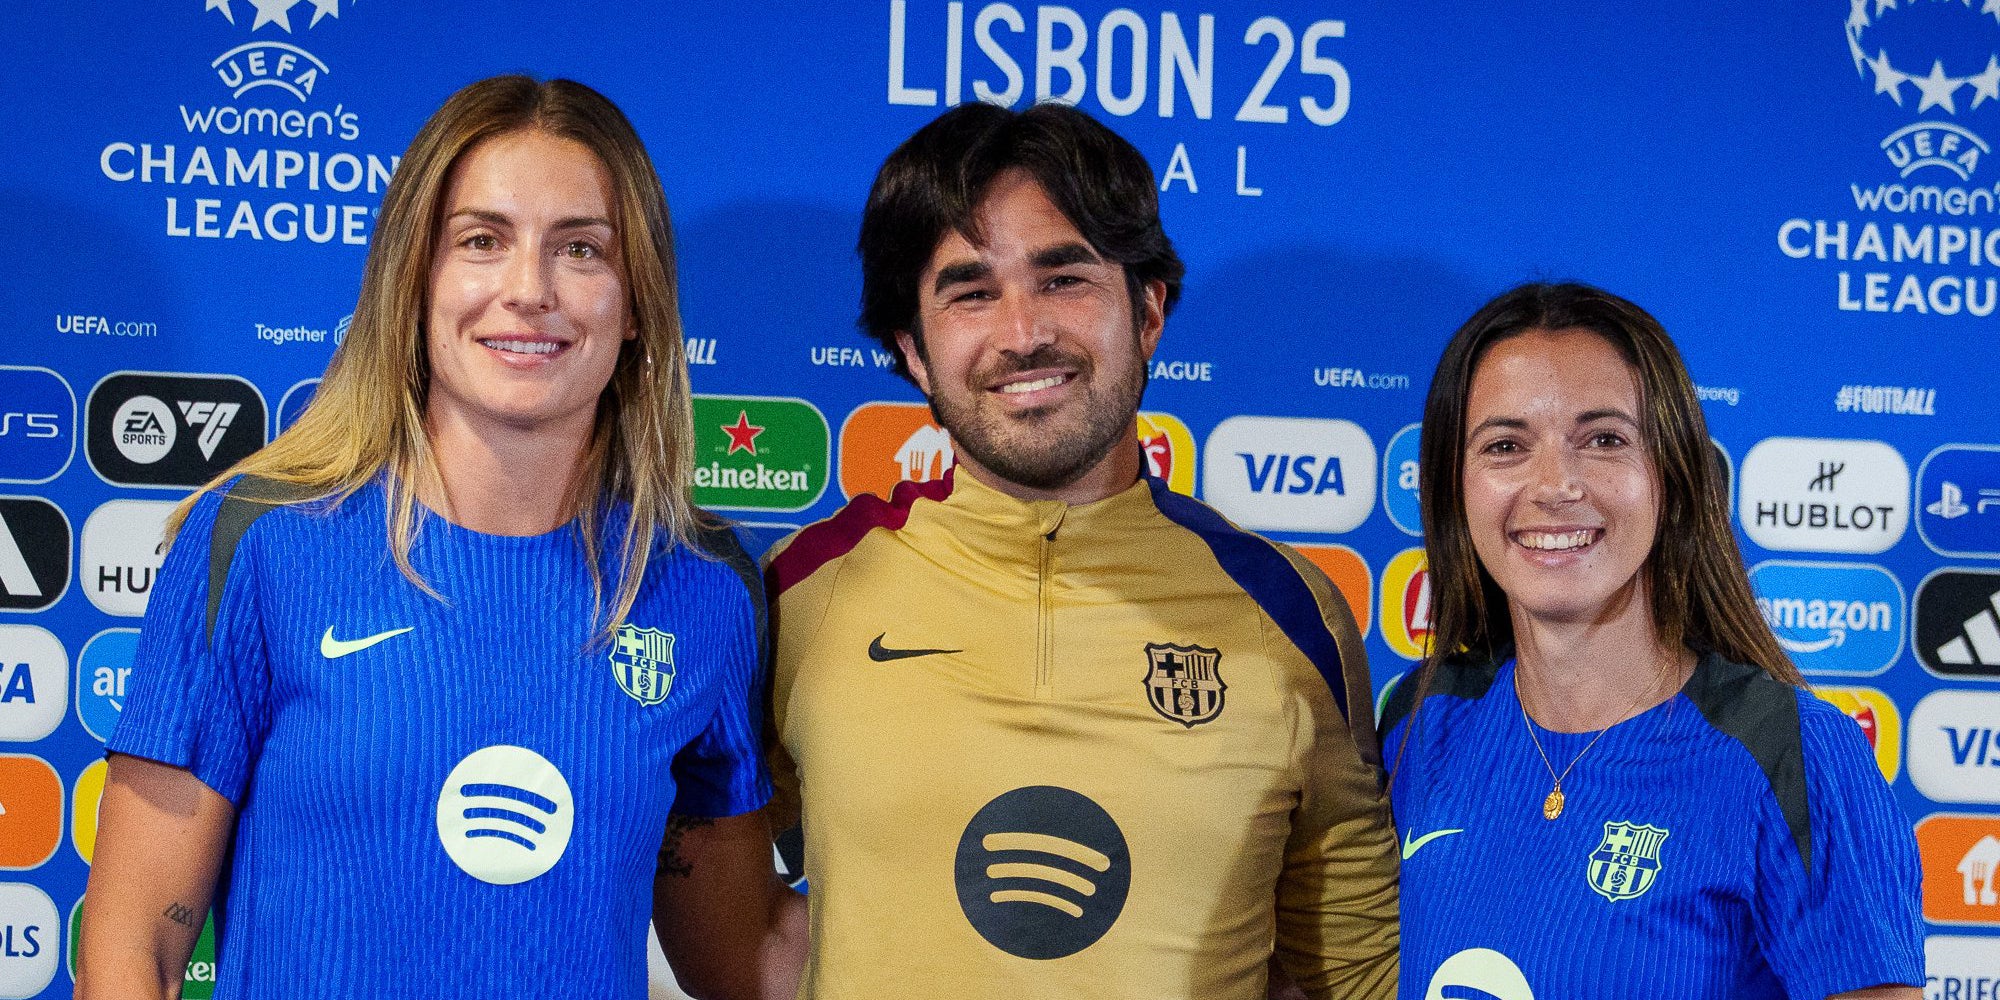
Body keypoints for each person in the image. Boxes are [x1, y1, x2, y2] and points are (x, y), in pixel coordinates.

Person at [77, 76, 802, 1000]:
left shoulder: (704, 587)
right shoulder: (262, 541)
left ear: (637, 306)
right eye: (482, 241)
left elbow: (745, 957)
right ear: (412, 281)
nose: (529, 290)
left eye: (581, 249)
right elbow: (132, 948)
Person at [760, 101, 1398, 999]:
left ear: (1147, 313)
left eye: (1064, 278)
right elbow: (717, 894)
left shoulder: (1288, 609)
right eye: (971, 291)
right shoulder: (804, 589)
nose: (1023, 333)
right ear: (912, 348)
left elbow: (1353, 967)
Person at [1381, 282, 1923, 1000]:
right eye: (1506, 445)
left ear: (1669, 475)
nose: (1556, 485)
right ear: (1455, 487)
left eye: (1603, 439)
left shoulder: (1792, 755)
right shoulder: (1425, 724)